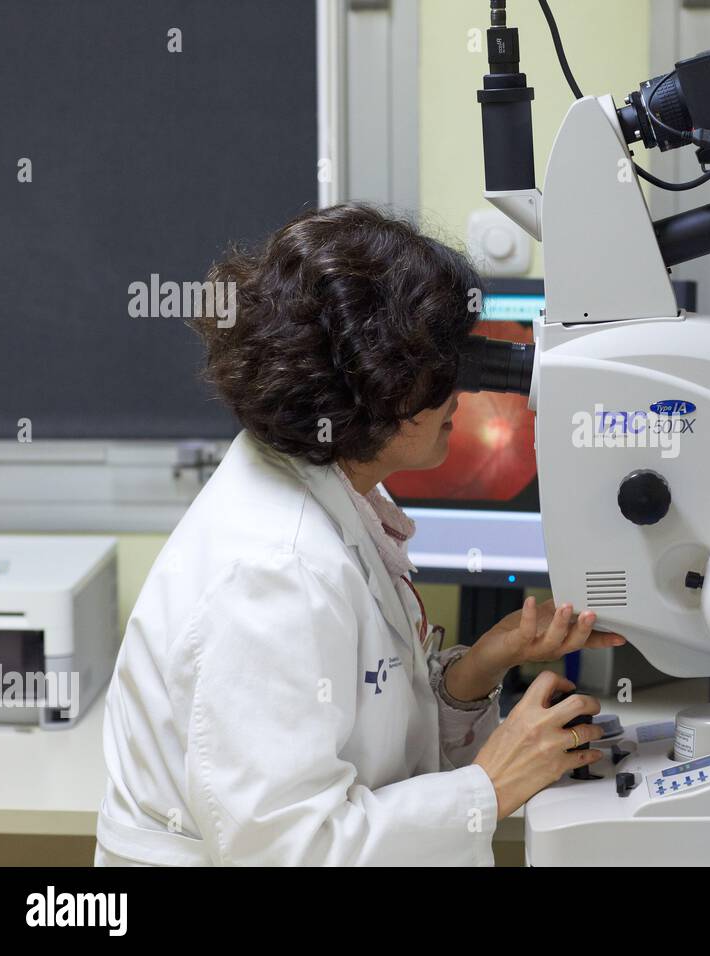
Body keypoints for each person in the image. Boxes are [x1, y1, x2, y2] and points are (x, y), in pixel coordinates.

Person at [94, 203, 624, 865]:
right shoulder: (274, 570)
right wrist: (492, 785)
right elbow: (293, 850)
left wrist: (479, 667)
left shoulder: (327, 488)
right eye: (441, 364)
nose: (463, 385)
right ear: (373, 388)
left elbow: (366, 732)